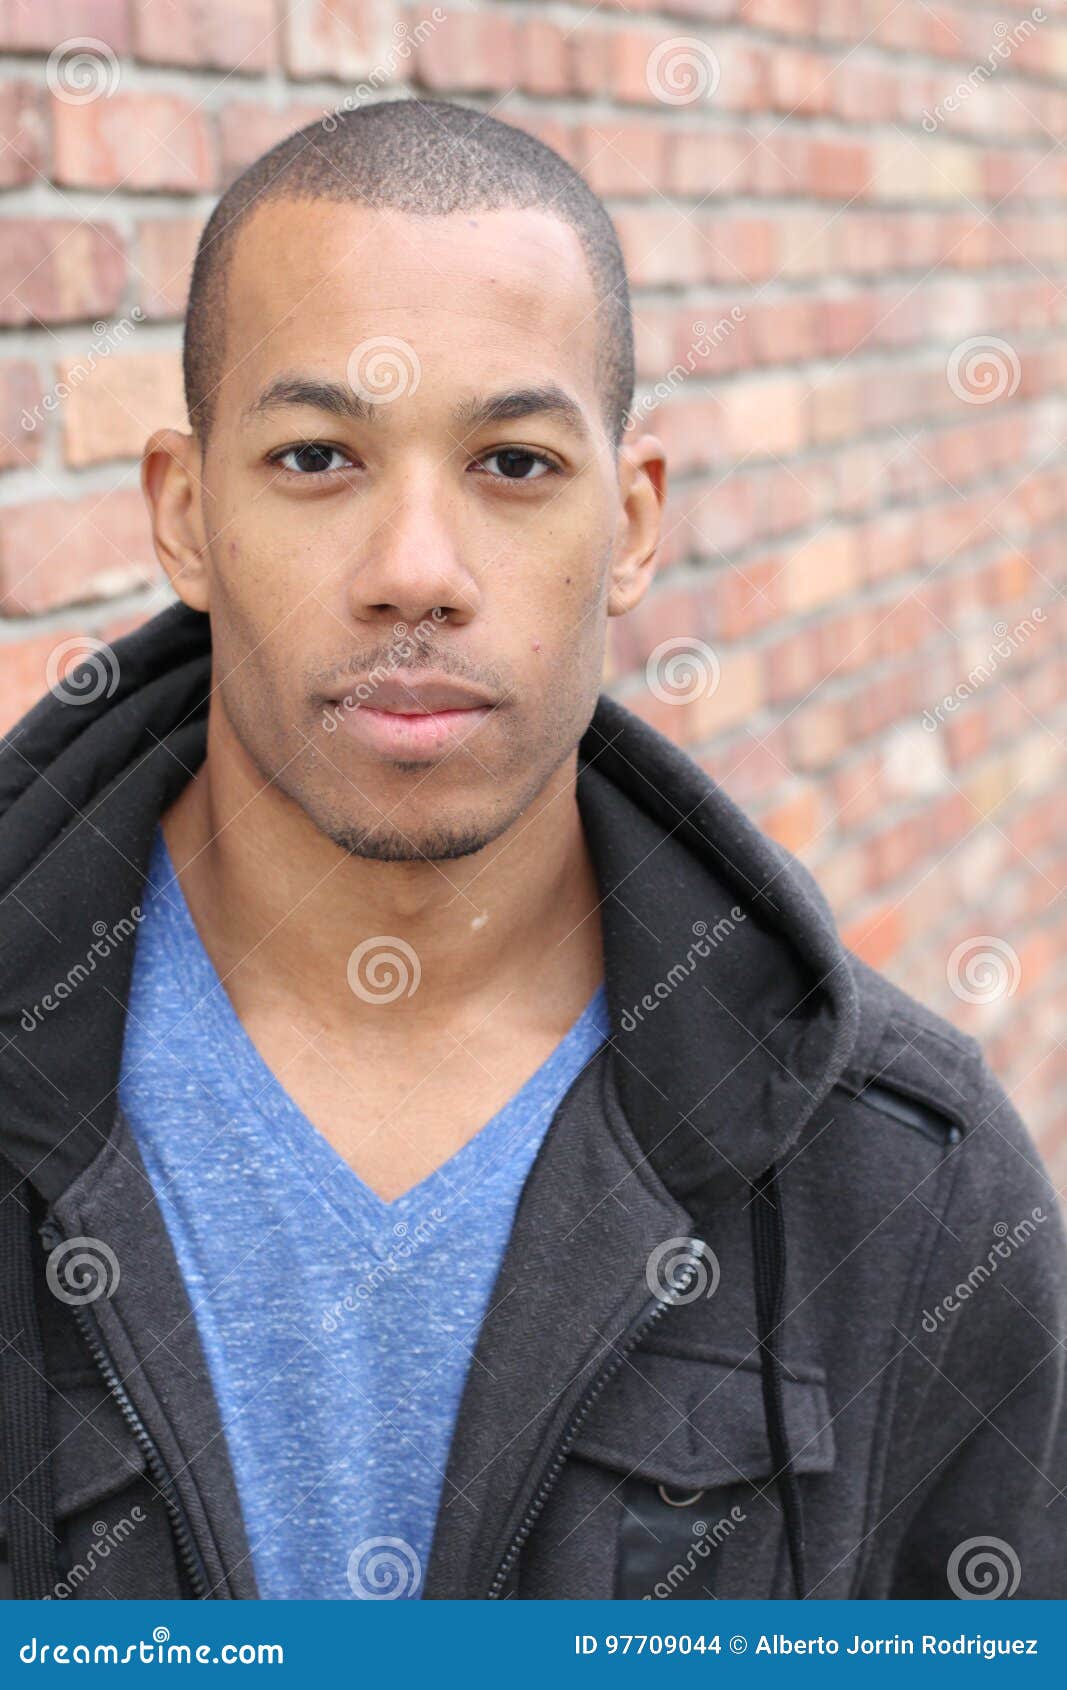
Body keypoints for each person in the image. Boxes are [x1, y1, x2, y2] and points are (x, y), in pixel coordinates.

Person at [0, 97, 1063, 1603]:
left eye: (512, 464)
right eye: (316, 458)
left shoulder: (899, 1187)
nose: (415, 572)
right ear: (184, 512)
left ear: (630, 526)